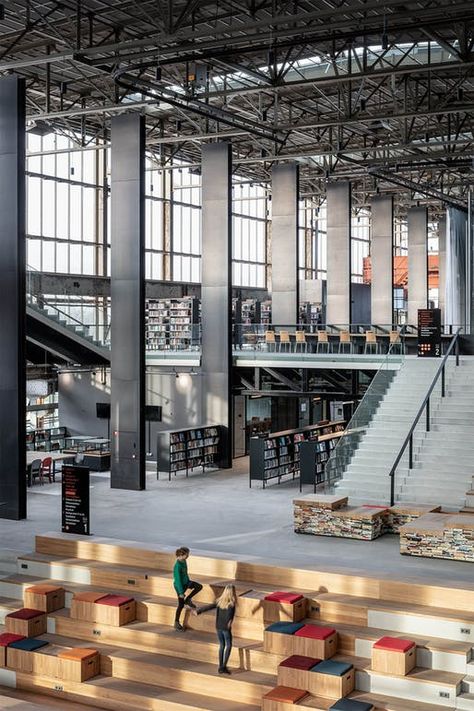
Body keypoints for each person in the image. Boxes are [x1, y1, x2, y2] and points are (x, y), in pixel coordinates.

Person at [173, 546, 203, 631]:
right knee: (180, 605)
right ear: (182, 555)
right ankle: (176, 622)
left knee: (199, 586)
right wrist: (181, 593)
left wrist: (188, 582)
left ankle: (188, 599)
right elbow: (178, 580)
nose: (188, 556)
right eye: (187, 554)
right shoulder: (177, 566)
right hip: (180, 587)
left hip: (186, 582)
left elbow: (185, 574)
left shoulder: (184, 561)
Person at [215, 584, 236, 674]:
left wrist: (198, 611)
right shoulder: (231, 604)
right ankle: (224, 666)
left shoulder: (219, 602)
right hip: (225, 628)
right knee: (228, 645)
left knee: (222, 645)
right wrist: (229, 623)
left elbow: (209, 607)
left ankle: (220, 667)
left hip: (218, 626)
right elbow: (230, 615)